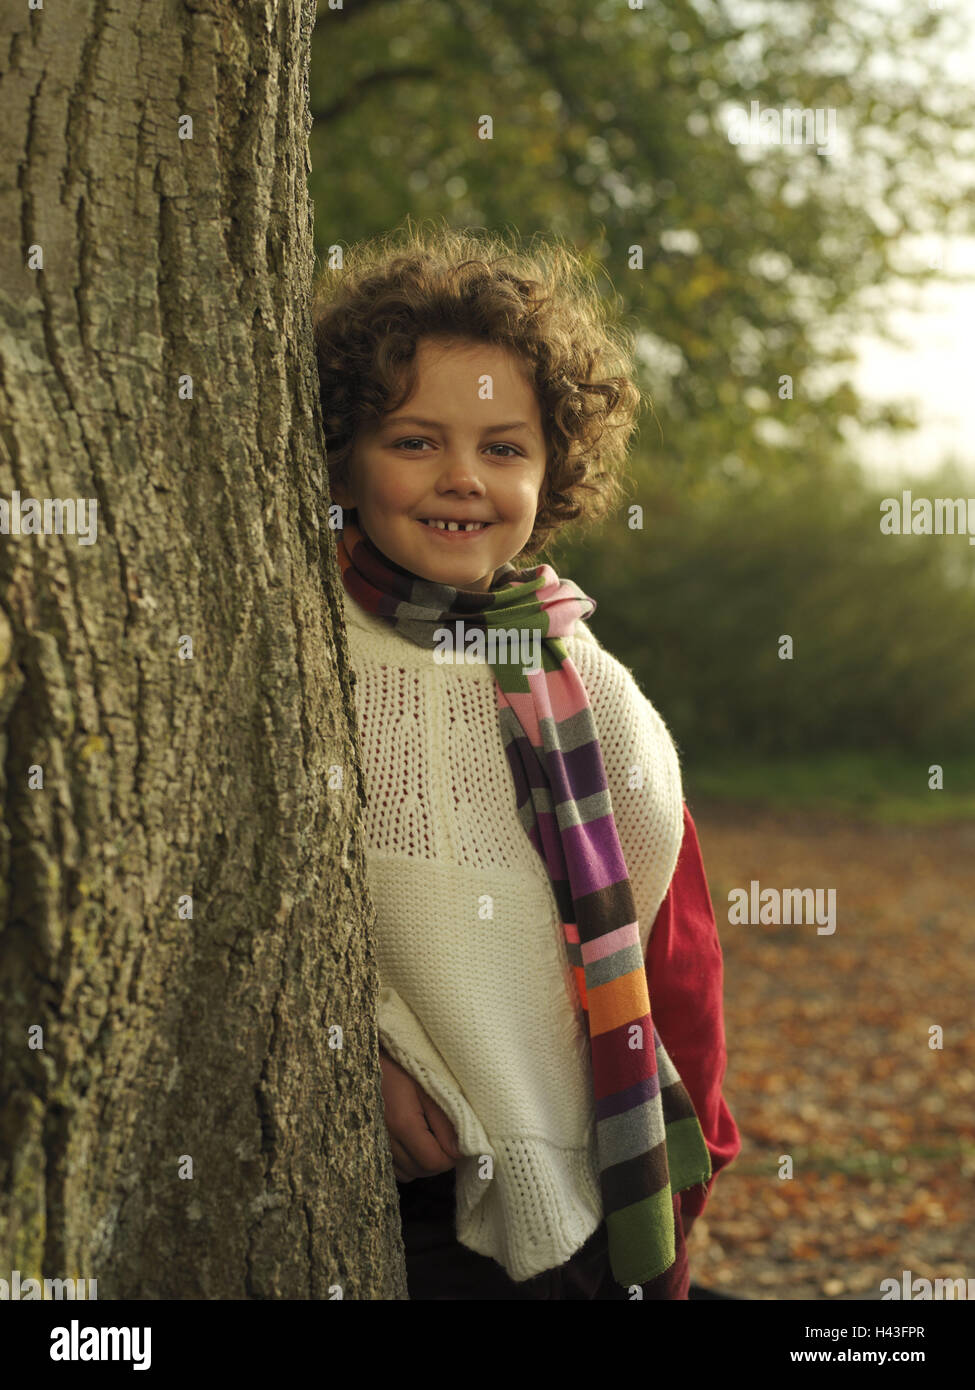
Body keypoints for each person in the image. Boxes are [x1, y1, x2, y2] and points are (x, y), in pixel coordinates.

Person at [311, 218, 741, 1299]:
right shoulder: (296, 649)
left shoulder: (584, 681)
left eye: (503, 448)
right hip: (381, 1189)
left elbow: (671, 951)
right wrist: (346, 1055)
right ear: (342, 453)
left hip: (581, 1182)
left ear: (552, 476)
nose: (462, 477)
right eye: (415, 440)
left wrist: (682, 1195)